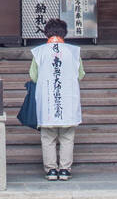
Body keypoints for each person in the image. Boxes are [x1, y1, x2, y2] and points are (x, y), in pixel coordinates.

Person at [30, 17, 84, 181]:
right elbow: (80, 74)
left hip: (47, 101)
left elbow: (33, 76)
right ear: (64, 34)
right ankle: (65, 170)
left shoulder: (39, 52)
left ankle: (51, 170)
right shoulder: (73, 52)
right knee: (67, 137)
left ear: (46, 33)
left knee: (48, 138)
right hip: (67, 100)